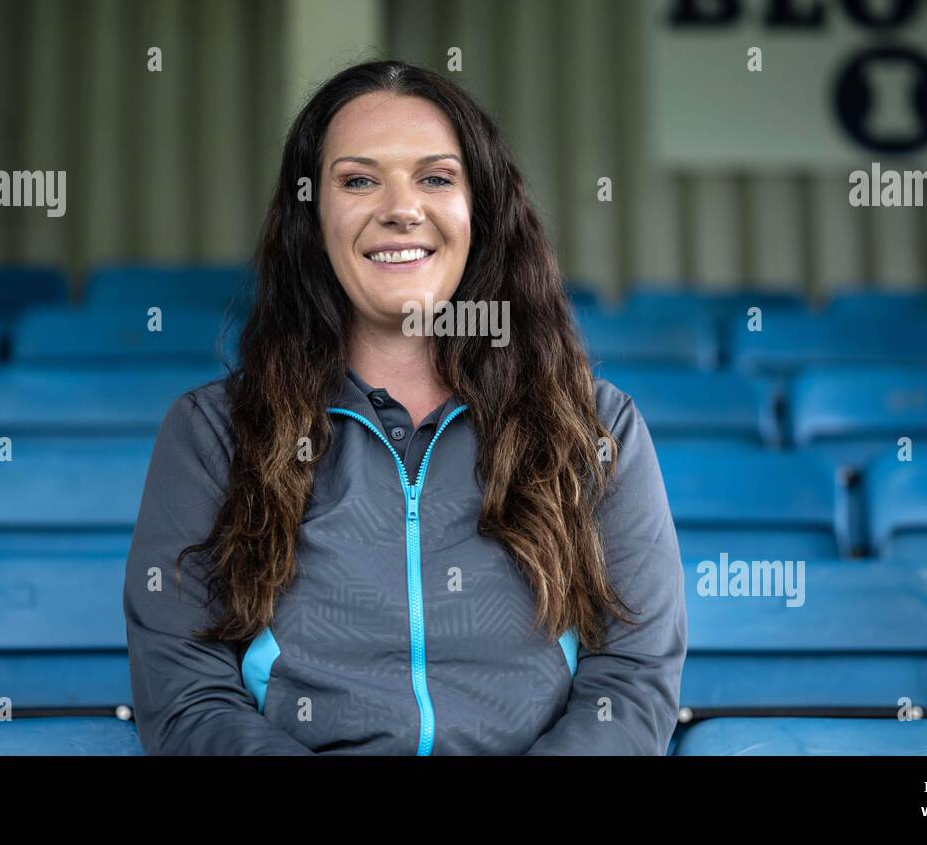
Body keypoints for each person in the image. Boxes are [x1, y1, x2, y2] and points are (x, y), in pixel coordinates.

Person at [123, 59, 686, 755]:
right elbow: (188, 696)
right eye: (358, 180)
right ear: (312, 214)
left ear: (481, 209)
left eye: (436, 178)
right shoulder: (213, 433)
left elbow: (630, 681)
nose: (400, 207)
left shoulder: (596, 427)